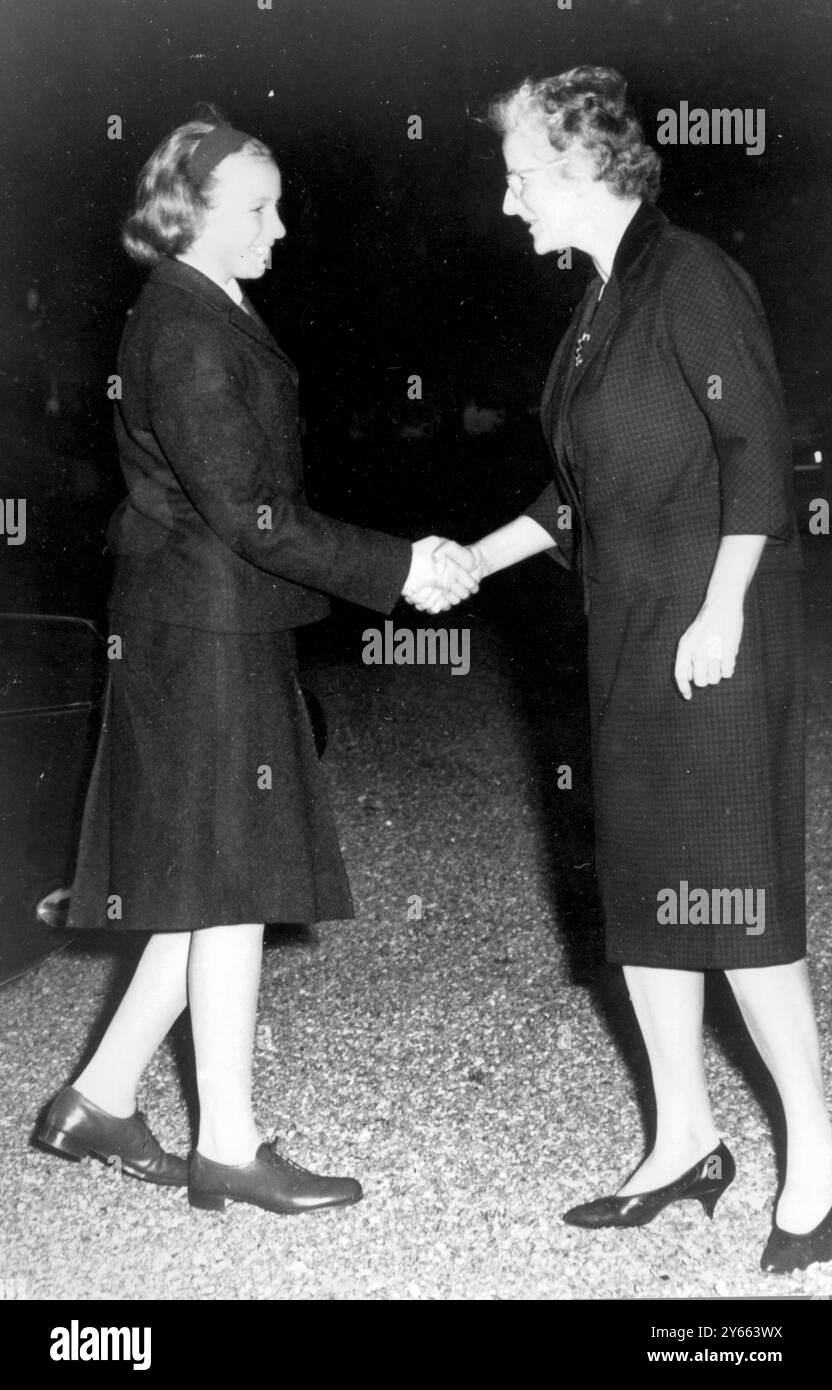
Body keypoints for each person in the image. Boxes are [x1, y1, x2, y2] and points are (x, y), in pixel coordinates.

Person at [36, 112, 477, 1217]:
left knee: (200, 882)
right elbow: (253, 513)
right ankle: (225, 1143)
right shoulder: (184, 327)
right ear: (187, 212)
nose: (279, 229)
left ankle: (96, 1098)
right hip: (205, 633)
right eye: (256, 210)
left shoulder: (205, 307)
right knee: (228, 886)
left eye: (277, 205)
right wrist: (396, 564)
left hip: (207, 626)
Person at [428, 66, 832, 1273]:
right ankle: (682, 1142)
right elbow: (578, 492)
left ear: (585, 167)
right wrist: (470, 558)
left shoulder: (690, 277)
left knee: (735, 902)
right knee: (647, 900)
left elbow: (758, 453)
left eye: (519, 180)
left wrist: (719, 609)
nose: (508, 207)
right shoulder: (603, 303)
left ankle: (815, 1160)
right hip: (632, 639)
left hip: (713, 640)